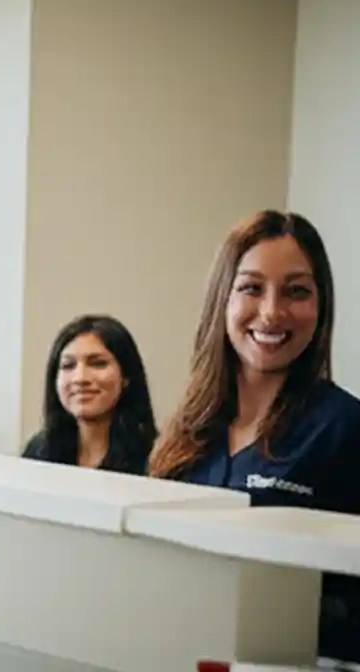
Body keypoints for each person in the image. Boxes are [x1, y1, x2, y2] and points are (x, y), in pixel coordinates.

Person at [149, 209, 360, 663]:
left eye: (296, 291)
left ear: (320, 308)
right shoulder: (186, 431)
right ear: (222, 299)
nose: (271, 312)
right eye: (251, 287)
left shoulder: (343, 427)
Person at [23, 314, 158, 474]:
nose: (80, 378)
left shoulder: (155, 458)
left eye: (98, 364)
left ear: (126, 377)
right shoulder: (39, 451)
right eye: (68, 365)